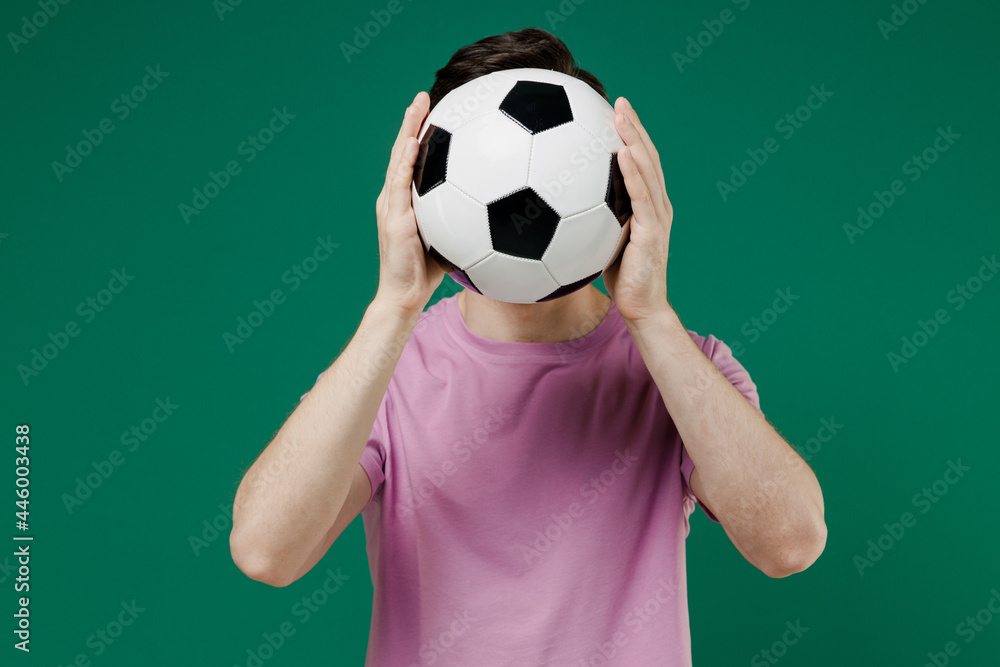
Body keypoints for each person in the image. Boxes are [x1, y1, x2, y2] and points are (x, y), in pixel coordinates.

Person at [230, 27, 826, 666]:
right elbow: (267, 553)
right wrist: (393, 307)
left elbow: (790, 545)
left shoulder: (681, 369)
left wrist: (650, 315)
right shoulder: (386, 373)